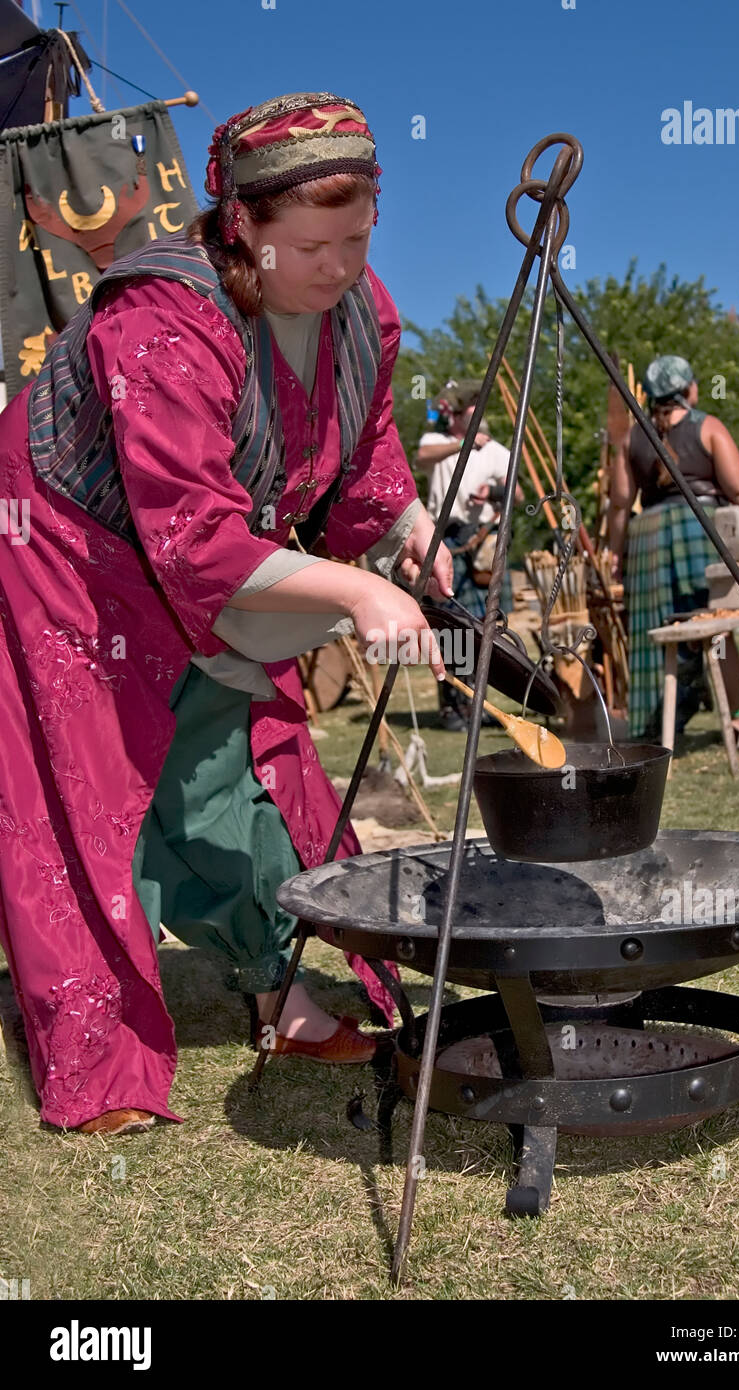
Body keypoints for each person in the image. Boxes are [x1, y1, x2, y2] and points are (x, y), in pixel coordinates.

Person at [0, 91, 452, 1136]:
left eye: (356, 236)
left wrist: (407, 528)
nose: (337, 267)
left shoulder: (363, 313)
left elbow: (364, 454)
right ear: (242, 225)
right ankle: (92, 1042)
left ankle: (279, 991)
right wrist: (353, 591)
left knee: (246, 749)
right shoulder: (160, 319)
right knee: (90, 774)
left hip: (211, 545)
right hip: (69, 539)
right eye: (310, 246)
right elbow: (191, 536)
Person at [607, 354, 739, 739]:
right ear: (688, 389)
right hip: (700, 528)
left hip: (648, 537)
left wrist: (616, 555)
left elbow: (621, 505)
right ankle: (735, 718)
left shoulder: (630, 439)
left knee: (654, 631)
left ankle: (655, 726)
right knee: (716, 627)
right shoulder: (707, 427)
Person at [414, 382, 521, 730]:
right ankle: (453, 709)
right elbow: (421, 458)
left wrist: (494, 492)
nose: (478, 411)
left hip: (478, 544)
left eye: (479, 405)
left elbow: (516, 495)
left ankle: (478, 707)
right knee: (450, 629)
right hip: (445, 539)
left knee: (481, 628)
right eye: (470, 407)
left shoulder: (495, 451)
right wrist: (462, 445)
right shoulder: (437, 442)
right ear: (457, 415)